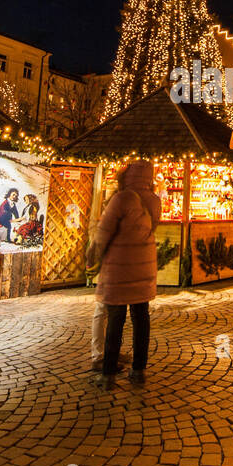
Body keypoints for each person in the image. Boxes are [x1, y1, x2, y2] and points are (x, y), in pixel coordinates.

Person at [89, 160, 161, 387]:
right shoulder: (155, 201)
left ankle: (108, 373)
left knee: (116, 320)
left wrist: (93, 256)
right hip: (144, 267)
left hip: (119, 269)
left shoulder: (121, 199)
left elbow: (103, 233)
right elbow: (153, 228)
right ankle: (139, 370)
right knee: (141, 319)